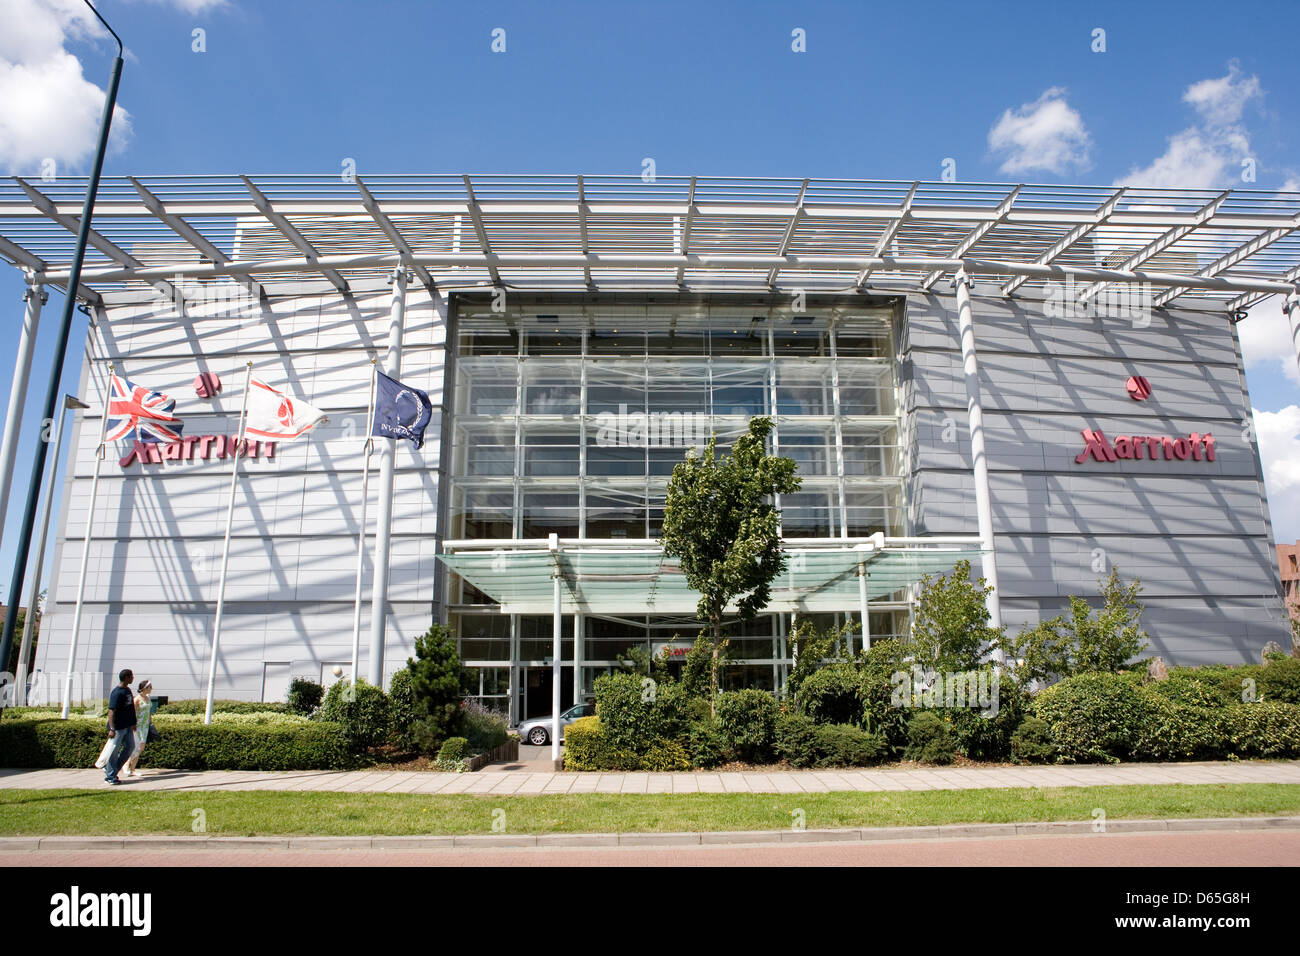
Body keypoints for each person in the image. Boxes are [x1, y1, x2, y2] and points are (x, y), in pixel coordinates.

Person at [103, 668, 136, 785]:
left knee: (130, 747)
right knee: (113, 751)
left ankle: (110, 770)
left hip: (127, 726)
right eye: (131, 676)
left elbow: (130, 708)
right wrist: (112, 729)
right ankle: (110, 777)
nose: (133, 678)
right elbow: (111, 711)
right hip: (118, 728)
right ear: (126, 677)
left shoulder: (127, 690)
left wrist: (133, 723)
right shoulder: (117, 693)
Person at [123, 679, 153, 777]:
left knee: (141, 747)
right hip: (138, 725)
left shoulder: (148, 698)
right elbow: (133, 713)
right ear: (145, 688)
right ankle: (126, 764)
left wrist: (150, 722)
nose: (151, 689)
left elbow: (149, 712)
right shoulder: (137, 699)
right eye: (150, 687)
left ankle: (133, 768)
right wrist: (133, 725)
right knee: (135, 747)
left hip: (145, 726)